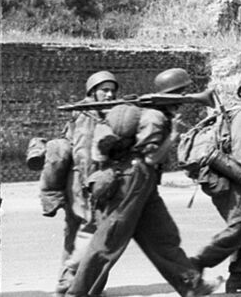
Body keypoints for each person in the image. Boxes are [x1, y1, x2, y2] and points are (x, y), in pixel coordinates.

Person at [64, 83, 218, 297]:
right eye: (181, 93)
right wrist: (173, 136)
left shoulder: (155, 114)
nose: (184, 99)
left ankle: (192, 285)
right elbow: (151, 157)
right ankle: (77, 293)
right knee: (108, 240)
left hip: (143, 182)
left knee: (162, 236)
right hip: (133, 179)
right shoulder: (155, 117)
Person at [191, 71, 241, 293]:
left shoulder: (237, 111)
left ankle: (238, 276)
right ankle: (196, 263)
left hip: (234, 176)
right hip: (231, 179)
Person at [50, 70, 120, 296]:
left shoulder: (99, 113)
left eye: (112, 91)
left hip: (84, 182)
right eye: (104, 90)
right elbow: (83, 154)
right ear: (93, 92)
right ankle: (74, 284)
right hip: (84, 183)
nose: (109, 95)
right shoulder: (86, 115)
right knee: (92, 234)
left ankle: (74, 284)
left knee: (76, 235)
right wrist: (91, 185)